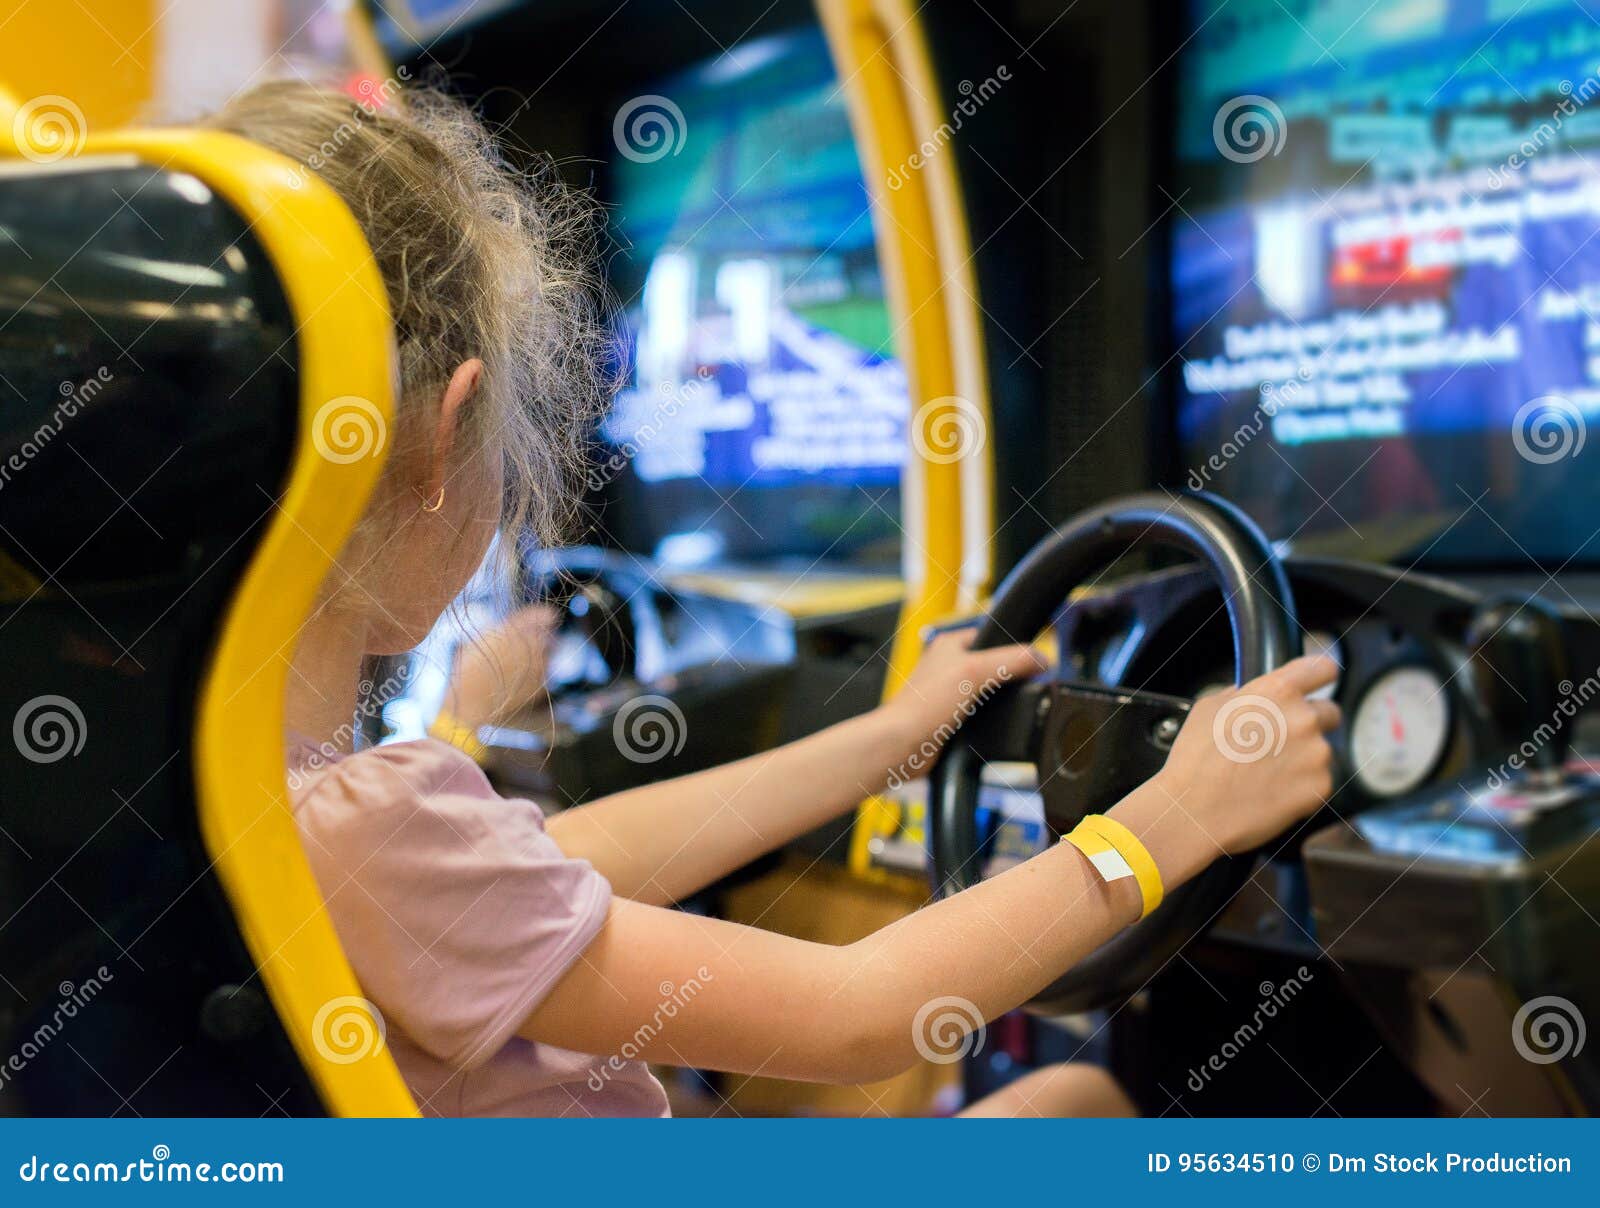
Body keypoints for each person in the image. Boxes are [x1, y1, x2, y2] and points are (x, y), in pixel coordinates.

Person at [209, 81, 1339, 1118]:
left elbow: (552, 861)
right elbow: (860, 1012)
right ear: (450, 433)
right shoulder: (373, 821)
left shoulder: (245, 790)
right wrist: (1173, 819)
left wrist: (886, 738)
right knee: (1077, 1105)